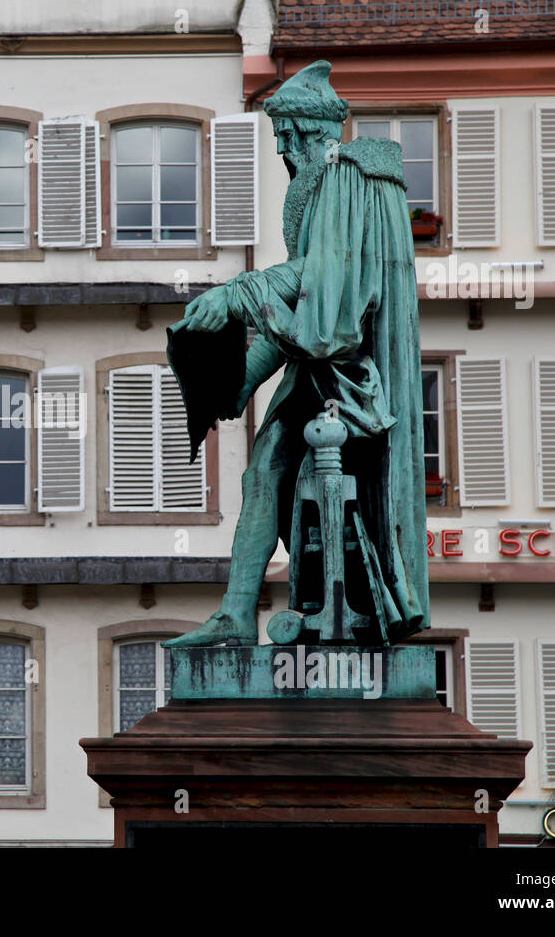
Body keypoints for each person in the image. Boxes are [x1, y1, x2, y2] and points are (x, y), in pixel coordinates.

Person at [164, 59, 428, 649]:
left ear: (312, 130)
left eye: (286, 133)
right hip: (322, 366)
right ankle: (237, 614)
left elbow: (326, 280)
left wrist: (236, 293)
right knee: (265, 472)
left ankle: (355, 612)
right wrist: (240, 382)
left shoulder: (349, 176)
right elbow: (311, 309)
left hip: (356, 377)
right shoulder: (323, 185)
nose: (281, 146)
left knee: (334, 493)